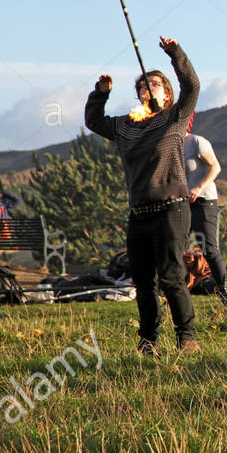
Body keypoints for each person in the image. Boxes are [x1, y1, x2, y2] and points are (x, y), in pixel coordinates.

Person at [85, 37, 201, 354]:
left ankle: (187, 338)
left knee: (172, 276)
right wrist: (101, 93)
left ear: (166, 94)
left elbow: (192, 86)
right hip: (139, 214)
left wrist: (176, 53)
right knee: (143, 283)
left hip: (172, 210)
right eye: (143, 85)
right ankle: (148, 341)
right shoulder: (126, 126)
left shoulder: (174, 118)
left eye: (154, 84)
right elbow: (94, 121)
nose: (147, 88)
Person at [183, 118, 227, 304]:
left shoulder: (196, 142)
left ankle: (225, 292)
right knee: (175, 247)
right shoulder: (170, 146)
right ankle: (175, 293)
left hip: (204, 200)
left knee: (209, 248)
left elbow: (215, 167)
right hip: (182, 202)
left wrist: (198, 187)